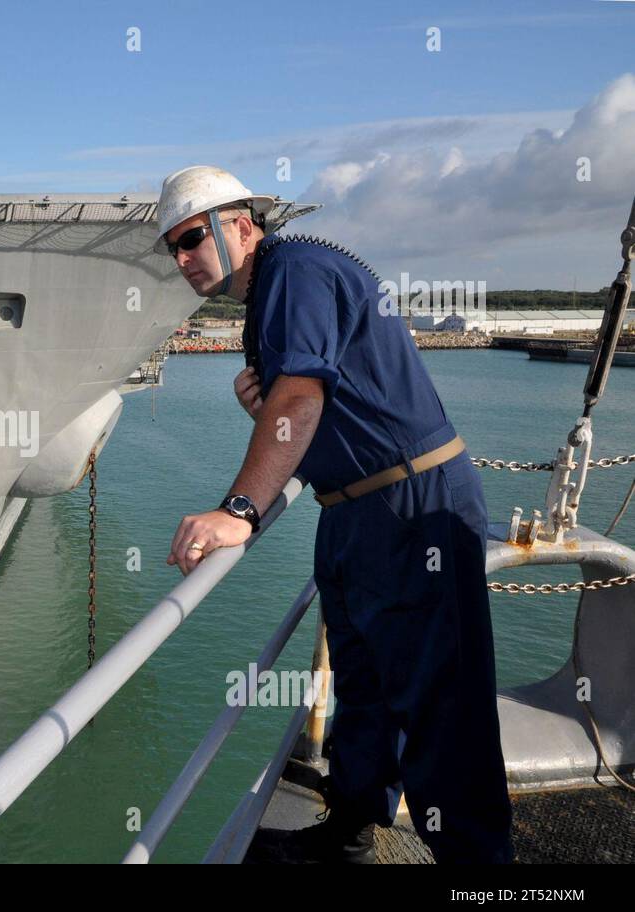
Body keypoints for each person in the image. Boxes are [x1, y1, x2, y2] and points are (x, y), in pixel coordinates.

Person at [158, 166, 514, 864]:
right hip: (352, 511)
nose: (180, 259)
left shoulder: (292, 271)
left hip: (409, 509)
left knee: (444, 715)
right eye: (171, 246)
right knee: (364, 689)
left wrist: (239, 510)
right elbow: (318, 402)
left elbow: (302, 399)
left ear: (241, 225)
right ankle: (349, 831)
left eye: (192, 237)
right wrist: (272, 410)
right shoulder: (274, 291)